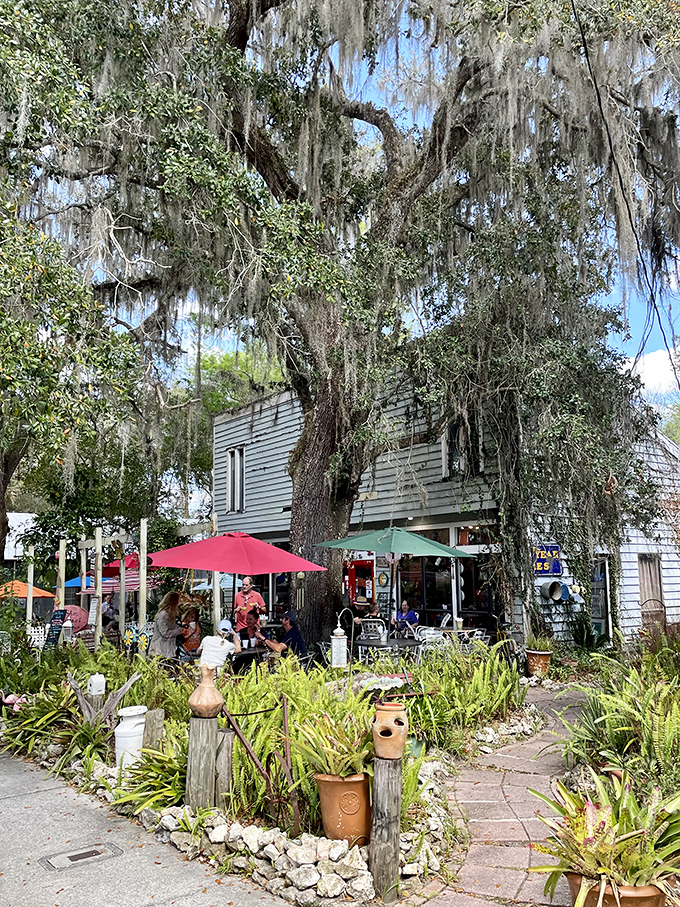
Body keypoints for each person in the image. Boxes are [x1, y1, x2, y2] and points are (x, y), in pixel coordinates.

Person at [149, 591, 185, 659]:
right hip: (160, 649)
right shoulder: (163, 615)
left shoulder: (171, 614)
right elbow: (165, 633)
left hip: (168, 648)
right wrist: (180, 630)